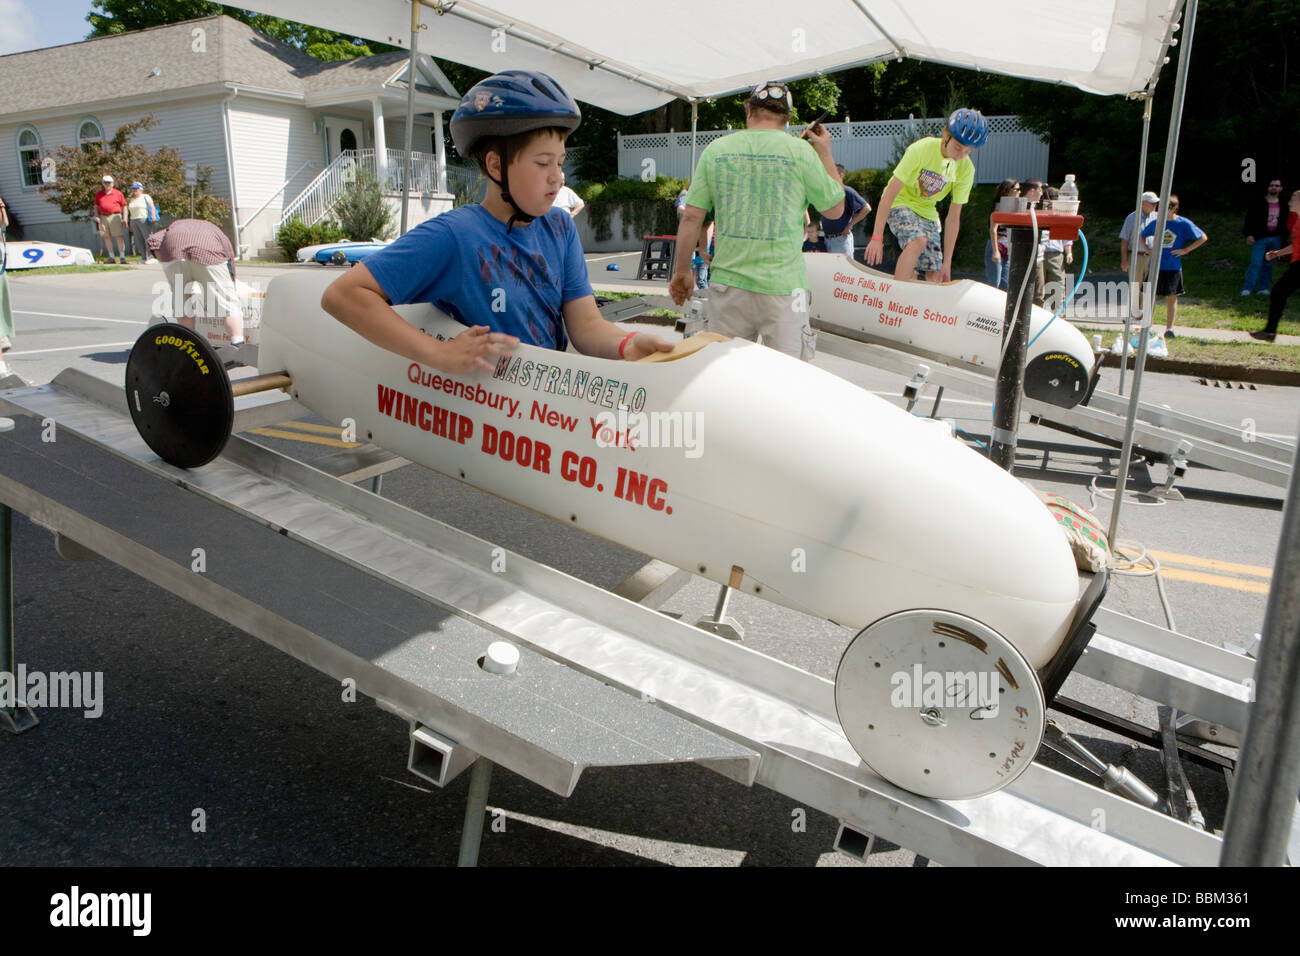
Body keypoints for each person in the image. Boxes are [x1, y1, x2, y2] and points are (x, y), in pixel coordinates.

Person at [321, 70, 671, 374]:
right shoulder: (457, 235)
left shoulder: (560, 228)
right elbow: (344, 295)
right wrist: (438, 353)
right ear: (495, 166)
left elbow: (587, 326)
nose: (558, 178)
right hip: (482, 414)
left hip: (542, 405)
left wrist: (628, 344)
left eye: (560, 162)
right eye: (543, 163)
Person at [668, 81, 844, 360]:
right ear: (786, 117)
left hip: (729, 286)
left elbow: (691, 217)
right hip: (785, 290)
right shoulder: (800, 153)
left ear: (749, 109)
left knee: (724, 381)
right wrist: (825, 152)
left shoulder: (717, 150)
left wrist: (682, 271)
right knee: (787, 384)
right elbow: (835, 210)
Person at [864, 109, 988, 283]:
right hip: (900, 202)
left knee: (935, 272)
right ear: (946, 135)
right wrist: (876, 238)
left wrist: (947, 263)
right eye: (958, 148)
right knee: (918, 241)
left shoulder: (966, 169)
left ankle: (923, 306)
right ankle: (896, 296)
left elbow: (953, 217)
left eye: (967, 152)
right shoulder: (922, 149)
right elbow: (891, 192)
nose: (960, 156)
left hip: (927, 212)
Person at [147, 218, 245, 347]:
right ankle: (237, 342)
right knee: (227, 303)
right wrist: (230, 284)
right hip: (207, 253)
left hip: (172, 253)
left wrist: (167, 261)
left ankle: (188, 345)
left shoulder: (171, 227)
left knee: (183, 305)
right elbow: (229, 257)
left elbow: (152, 241)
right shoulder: (214, 230)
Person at [1141, 194, 1207, 339]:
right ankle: (1147, 327)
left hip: (1173, 266)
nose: (1162, 212)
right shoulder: (1158, 222)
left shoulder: (1183, 223)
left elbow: (1202, 237)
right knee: (1151, 296)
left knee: (1171, 297)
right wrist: (1148, 250)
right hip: (1155, 265)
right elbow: (1142, 235)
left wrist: (1185, 250)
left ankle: (1169, 328)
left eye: (1166, 208)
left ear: (1173, 208)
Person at [1250, 189, 1300, 342]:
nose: (1289, 202)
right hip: (1297, 264)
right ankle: (1270, 332)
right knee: (1279, 293)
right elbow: (1296, 245)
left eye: (1293, 199)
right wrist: (1277, 253)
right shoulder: (1297, 220)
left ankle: (1270, 332)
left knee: (1278, 293)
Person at [1241, 178, 1286, 296]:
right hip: (1260, 237)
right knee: (1255, 263)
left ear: (1280, 188)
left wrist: (1284, 239)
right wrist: (1248, 234)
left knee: (1269, 264)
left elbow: (1286, 223)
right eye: (1272, 185)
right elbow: (1249, 219)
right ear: (1268, 187)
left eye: (1277, 185)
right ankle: (1247, 288)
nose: (1274, 187)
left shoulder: (1284, 205)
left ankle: (1263, 288)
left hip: (1276, 238)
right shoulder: (1258, 202)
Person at [1120, 190, 1159, 314]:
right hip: (1137, 256)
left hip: (1152, 257)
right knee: (1135, 285)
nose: (1155, 206)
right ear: (1142, 203)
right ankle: (1133, 313)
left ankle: (1146, 314)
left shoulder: (1158, 217)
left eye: (1155, 203)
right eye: (1152, 203)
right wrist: (1124, 261)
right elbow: (1124, 240)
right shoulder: (1132, 218)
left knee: (1149, 285)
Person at [820, 164, 871, 259]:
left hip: (841, 240)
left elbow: (866, 208)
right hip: (826, 240)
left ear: (841, 175)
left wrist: (850, 225)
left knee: (843, 271)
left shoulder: (847, 191)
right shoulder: (828, 193)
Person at [1041, 186, 1074, 311]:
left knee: (1057, 284)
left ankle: (1057, 313)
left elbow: (1066, 238)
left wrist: (1069, 253)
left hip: (1056, 255)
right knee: (1039, 285)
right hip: (1041, 253)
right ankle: (1038, 311)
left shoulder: (1061, 216)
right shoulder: (1041, 215)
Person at [984, 178, 1019, 289]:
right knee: (995, 283)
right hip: (997, 244)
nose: (1019, 192)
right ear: (1008, 190)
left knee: (1005, 283)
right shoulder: (998, 206)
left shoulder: (1013, 206)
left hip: (1007, 245)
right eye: (1017, 189)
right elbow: (993, 229)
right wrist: (995, 251)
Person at [93, 174, 129, 264]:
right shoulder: (99, 194)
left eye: (109, 182)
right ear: (103, 184)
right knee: (106, 237)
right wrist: (96, 216)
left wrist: (125, 218)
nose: (107, 184)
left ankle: (122, 257)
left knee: (119, 237)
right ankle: (111, 257)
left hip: (115, 216)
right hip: (103, 217)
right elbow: (96, 206)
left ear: (112, 183)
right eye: (105, 182)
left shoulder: (118, 193)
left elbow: (124, 206)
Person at [125, 182, 160, 263]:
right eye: (133, 189)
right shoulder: (132, 199)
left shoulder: (146, 197)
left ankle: (151, 257)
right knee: (139, 239)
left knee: (148, 238)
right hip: (134, 220)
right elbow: (131, 212)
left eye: (136, 189)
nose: (134, 190)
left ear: (141, 189)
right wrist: (130, 222)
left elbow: (152, 207)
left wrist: (153, 216)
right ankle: (144, 257)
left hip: (144, 219)